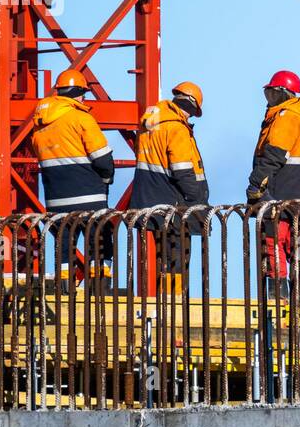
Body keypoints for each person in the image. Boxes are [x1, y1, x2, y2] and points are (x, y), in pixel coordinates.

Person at [31, 68, 115, 288]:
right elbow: (102, 158)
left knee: (64, 244)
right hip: (89, 195)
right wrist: (107, 178)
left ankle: (64, 290)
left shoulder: (40, 125)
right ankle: (100, 290)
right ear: (79, 93)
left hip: (55, 200)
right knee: (100, 240)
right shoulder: (81, 118)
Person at [129, 81, 210, 285]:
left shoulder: (149, 126)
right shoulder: (176, 128)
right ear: (191, 107)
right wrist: (197, 200)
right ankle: (175, 305)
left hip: (149, 200)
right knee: (177, 258)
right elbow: (182, 171)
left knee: (160, 257)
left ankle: (163, 303)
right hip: (174, 204)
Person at [246, 70, 300, 289]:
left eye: (271, 93)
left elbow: (273, 156)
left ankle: (277, 298)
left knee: (272, 243)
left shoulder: (286, 117)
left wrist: (256, 186)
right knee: (297, 244)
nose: (269, 99)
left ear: (282, 93)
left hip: (277, 193)